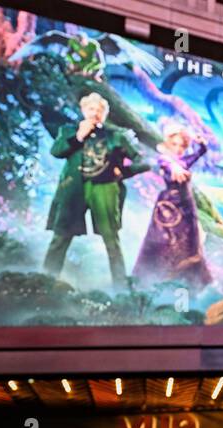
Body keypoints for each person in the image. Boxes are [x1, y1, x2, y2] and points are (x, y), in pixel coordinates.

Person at [43, 91, 149, 286]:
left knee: (111, 239)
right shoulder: (68, 131)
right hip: (74, 188)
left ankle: (120, 285)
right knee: (61, 235)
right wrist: (79, 136)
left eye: (99, 110)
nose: (95, 112)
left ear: (105, 114)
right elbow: (57, 151)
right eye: (91, 108)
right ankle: (46, 279)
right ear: (83, 110)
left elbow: (142, 160)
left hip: (105, 188)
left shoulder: (115, 136)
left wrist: (122, 172)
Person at [132, 120, 211, 289]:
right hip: (168, 207)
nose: (178, 149)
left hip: (187, 207)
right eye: (175, 144)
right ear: (168, 143)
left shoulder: (184, 162)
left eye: (182, 146)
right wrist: (173, 165)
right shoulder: (164, 159)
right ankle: (151, 282)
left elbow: (201, 152)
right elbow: (165, 163)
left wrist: (200, 142)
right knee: (162, 242)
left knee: (188, 245)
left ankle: (184, 283)